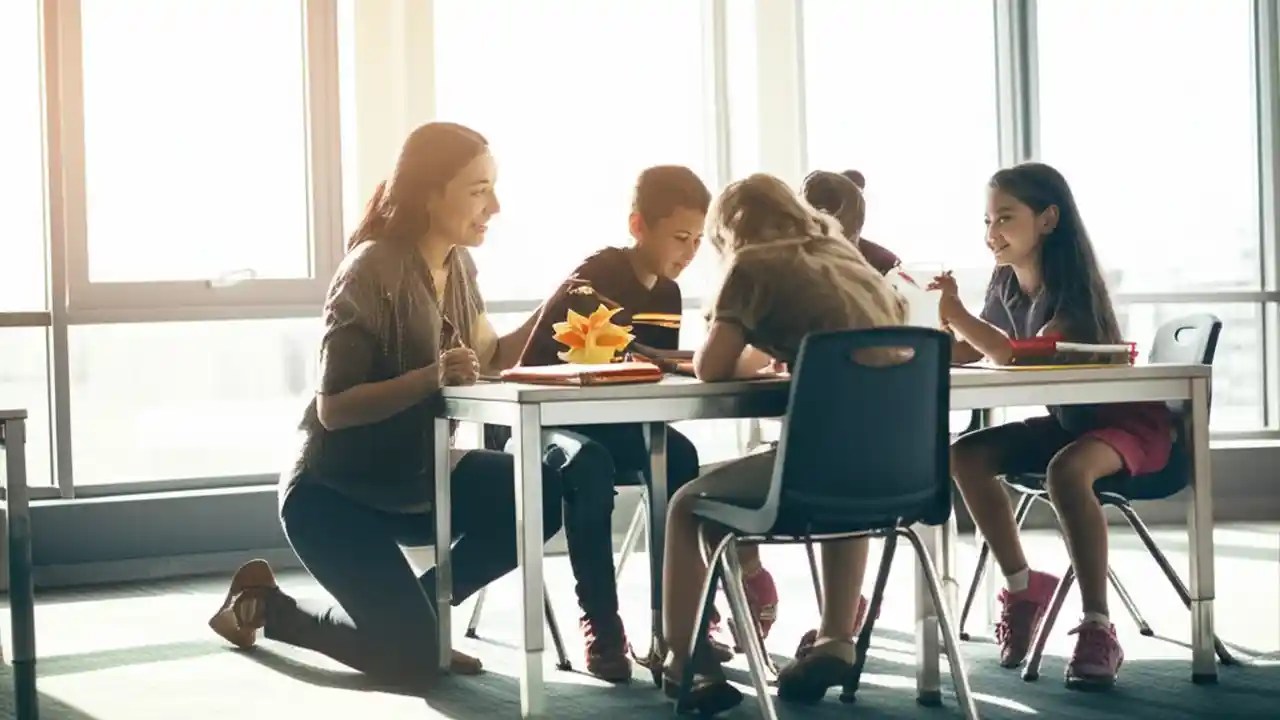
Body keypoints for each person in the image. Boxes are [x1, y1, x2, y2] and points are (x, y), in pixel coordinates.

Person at [206, 122, 565, 691]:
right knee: (416, 662)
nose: (494, 206)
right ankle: (264, 604)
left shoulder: (459, 266)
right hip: (330, 494)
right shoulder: (371, 267)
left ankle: (419, 621)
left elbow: (490, 358)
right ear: (429, 194)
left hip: (414, 480)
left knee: (542, 491)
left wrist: (559, 307)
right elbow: (334, 408)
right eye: (479, 190)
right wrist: (431, 376)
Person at [660, 173, 907, 714]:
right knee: (845, 491)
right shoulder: (850, 263)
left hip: (818, 466)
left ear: (727, 231)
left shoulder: (751, 266)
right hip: (900, 470)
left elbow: (711, 367)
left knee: (687, 505)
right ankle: (837, 637)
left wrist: (744, 355)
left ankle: (683, 658)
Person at [935, 161, 1171, 689]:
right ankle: (1023, 587)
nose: (992, 232)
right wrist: (925, 325)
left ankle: (1097, 625)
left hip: (1129, 424)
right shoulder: (1005, 282)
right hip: (1072, 424)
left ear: (1047, 219)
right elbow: (974, 349)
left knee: (1067, 470)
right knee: (965, 455)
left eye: (1005, 218)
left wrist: (958, 312)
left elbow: (1017, 355)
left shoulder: (1074, 292)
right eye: (988, 220)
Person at [506, 165, 722, 681]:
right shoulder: (596, 273)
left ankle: (684, 620)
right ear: (638, 225)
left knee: (682, 456)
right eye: (680, 237)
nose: (690, 251)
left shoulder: (668, 294)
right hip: (545, 423)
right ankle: (601, 622)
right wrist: (682, 360)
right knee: (590, 465)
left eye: (698, 239)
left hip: (610, 421)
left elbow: (648, 379)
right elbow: (628, 353)